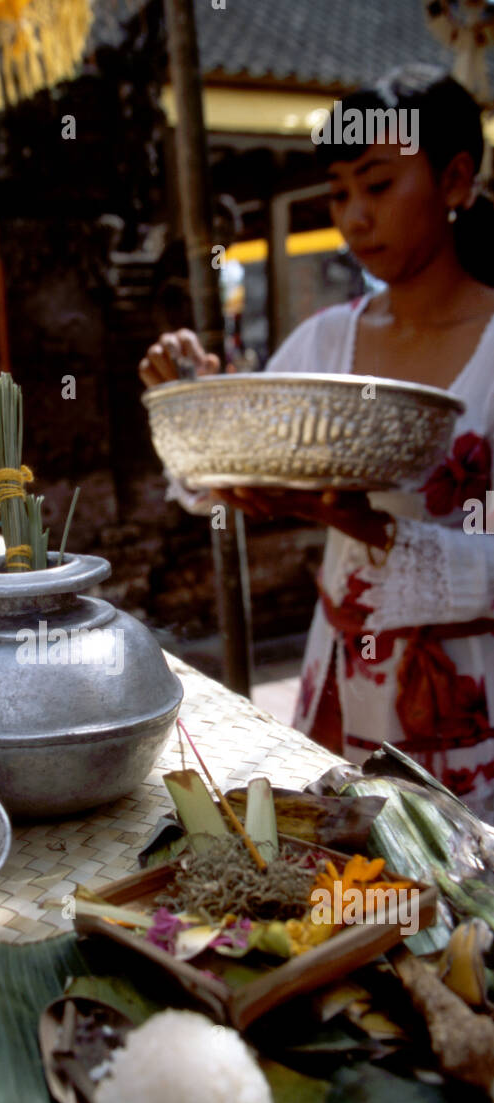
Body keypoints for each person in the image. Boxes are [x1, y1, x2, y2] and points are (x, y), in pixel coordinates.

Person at [139, 65, 494, 816]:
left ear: (456, 181)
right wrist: (199, 398)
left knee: (463, 913)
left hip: (471, 693)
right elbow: (225, 469)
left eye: (377, 184)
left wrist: (363, 525)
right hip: (341, 675)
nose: (353, 216)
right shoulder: (326, 340)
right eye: (338, 193)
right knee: (345, 886)